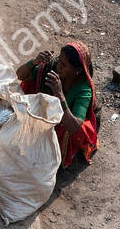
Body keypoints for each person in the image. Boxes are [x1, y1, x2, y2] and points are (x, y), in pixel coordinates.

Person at [17, 41, 98, 169]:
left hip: (65, 123)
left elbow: (74, 127)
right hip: (50, 114)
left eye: (64, 65)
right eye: (59, 60)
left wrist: (59, 94)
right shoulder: (52, 68)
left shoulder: (83, 89)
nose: (58, 66)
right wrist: (35, 62)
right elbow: (20, 75)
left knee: (63, 131)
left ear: (77, 70)